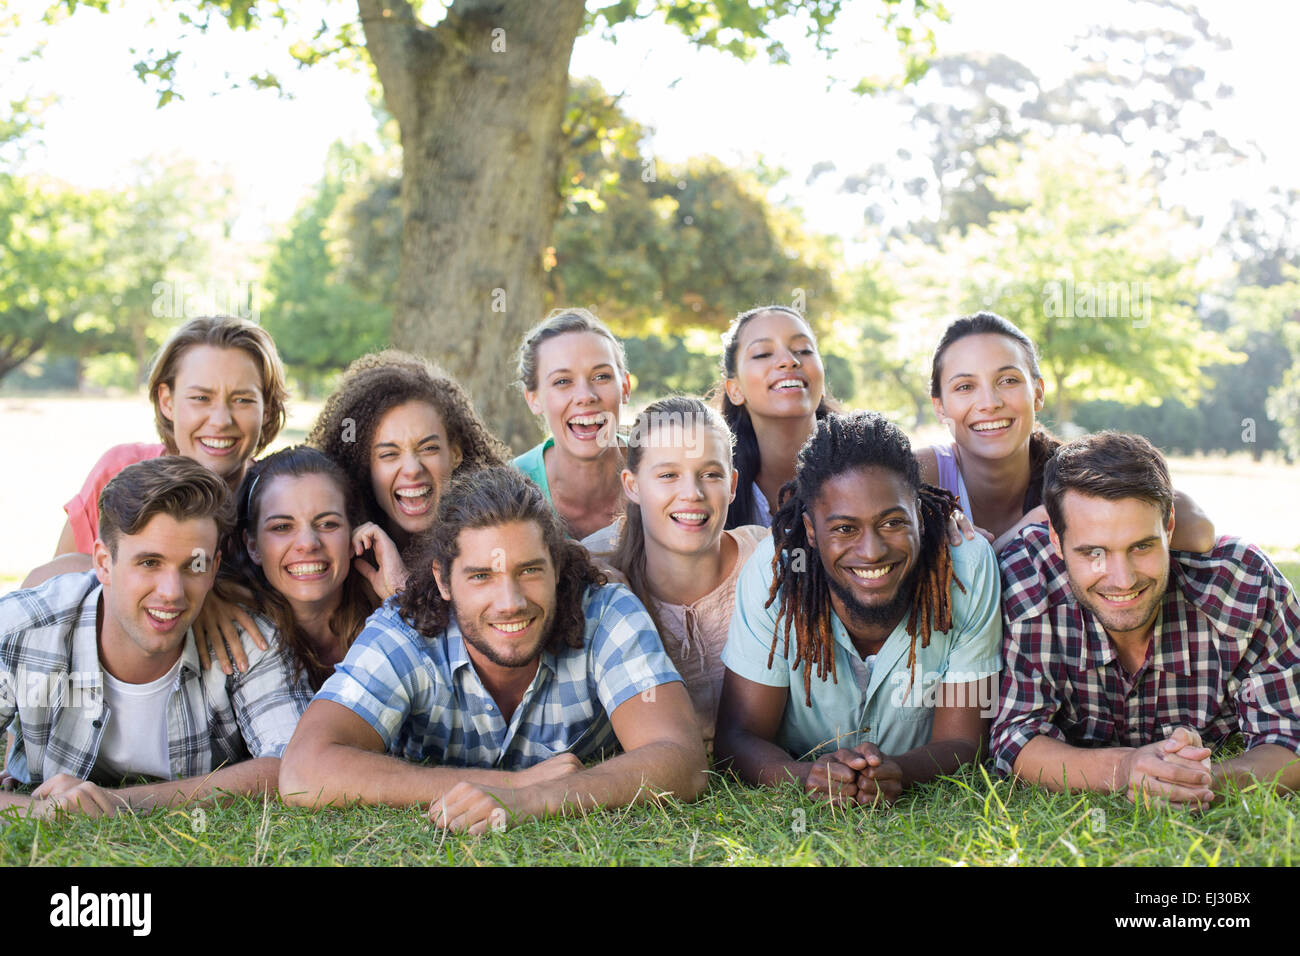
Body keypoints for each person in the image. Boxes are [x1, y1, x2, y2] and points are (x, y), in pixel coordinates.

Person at [279, 466, 707, 834]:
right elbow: (304, 770)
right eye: (481, 576)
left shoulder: (605, 613)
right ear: (443, 581)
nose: (511, 602)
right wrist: (510, 784)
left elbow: (681, 758)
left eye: (529, 570)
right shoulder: (405, 631)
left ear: (557, 568)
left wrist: (538, 799)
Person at [990, 431, 1300, 807]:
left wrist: (1196, 782)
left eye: (1141, 546)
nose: (1122, 580)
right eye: (1093, 553)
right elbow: (1015, 737)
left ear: (1169, 526)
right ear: (1055, 539)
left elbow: (1289, 739)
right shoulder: (1026, 580)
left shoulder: (1244, 584)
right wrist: (1124, 770)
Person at [715, 412, 1002, 807]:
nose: (872, 551)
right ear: (811, 531)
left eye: (892, 522)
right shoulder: (778, 570)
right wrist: (806, 776)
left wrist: (899, 771)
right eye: (845, 529)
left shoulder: (967, 567)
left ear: (918, 513)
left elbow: (966, 742)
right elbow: (737, 738)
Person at [0, 456, 311, 819]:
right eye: (149, 563)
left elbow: (292, 765)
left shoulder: (251, 640)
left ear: (213, 567)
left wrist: (119, 803)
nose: (172, 592)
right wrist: (41, 812)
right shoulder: (22, 628)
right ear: (103, 562)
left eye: (193, 565)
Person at [24, 315, 292, 676]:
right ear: (167, 400)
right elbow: (47, 587)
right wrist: (192, 595)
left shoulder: (278, 500)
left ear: (267, 407)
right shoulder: (120, 469)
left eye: (243, 399)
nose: (221, 419)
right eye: (200, 397)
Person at [920, 311, 1215, 553]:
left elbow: (1199, 530)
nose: (990, 403)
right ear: (940, 407)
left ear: (1037, 393)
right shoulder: (922, 473)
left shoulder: (1073, 473)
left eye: (1008, 380)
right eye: (964, 387)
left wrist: (1040, 521)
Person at [583, 396, 768, 754]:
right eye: (668, 475)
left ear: (731, 485)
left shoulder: (766, 562)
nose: (692, 494)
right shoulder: (597, 565)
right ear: (632, 485)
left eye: (710, 474)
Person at [217, 446, 405, 690]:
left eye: (328, 524)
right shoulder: (234, 630)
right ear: (253, 546)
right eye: (282, 527)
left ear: (353, 536)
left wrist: (401, 595)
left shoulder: (387, 613)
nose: (308, 544)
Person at [308, 350, 509, 556]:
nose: (412, 469)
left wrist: (398, 585)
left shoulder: (495, 548)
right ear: (365, 466)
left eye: (428, 448)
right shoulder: (335, 561)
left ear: (455, 453)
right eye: (389, 454)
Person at [513, 308, 632, 539]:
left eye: (601, 376)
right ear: (534, 399)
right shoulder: (509, 489)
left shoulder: (663, 473)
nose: (585, 395)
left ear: (625, 387)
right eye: (563, 381)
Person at [719, 305, 836, 529]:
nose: (789, 360)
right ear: (735, 390)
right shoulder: (713, 484)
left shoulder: (866, 470)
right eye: (763, 353)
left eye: (804, 350)